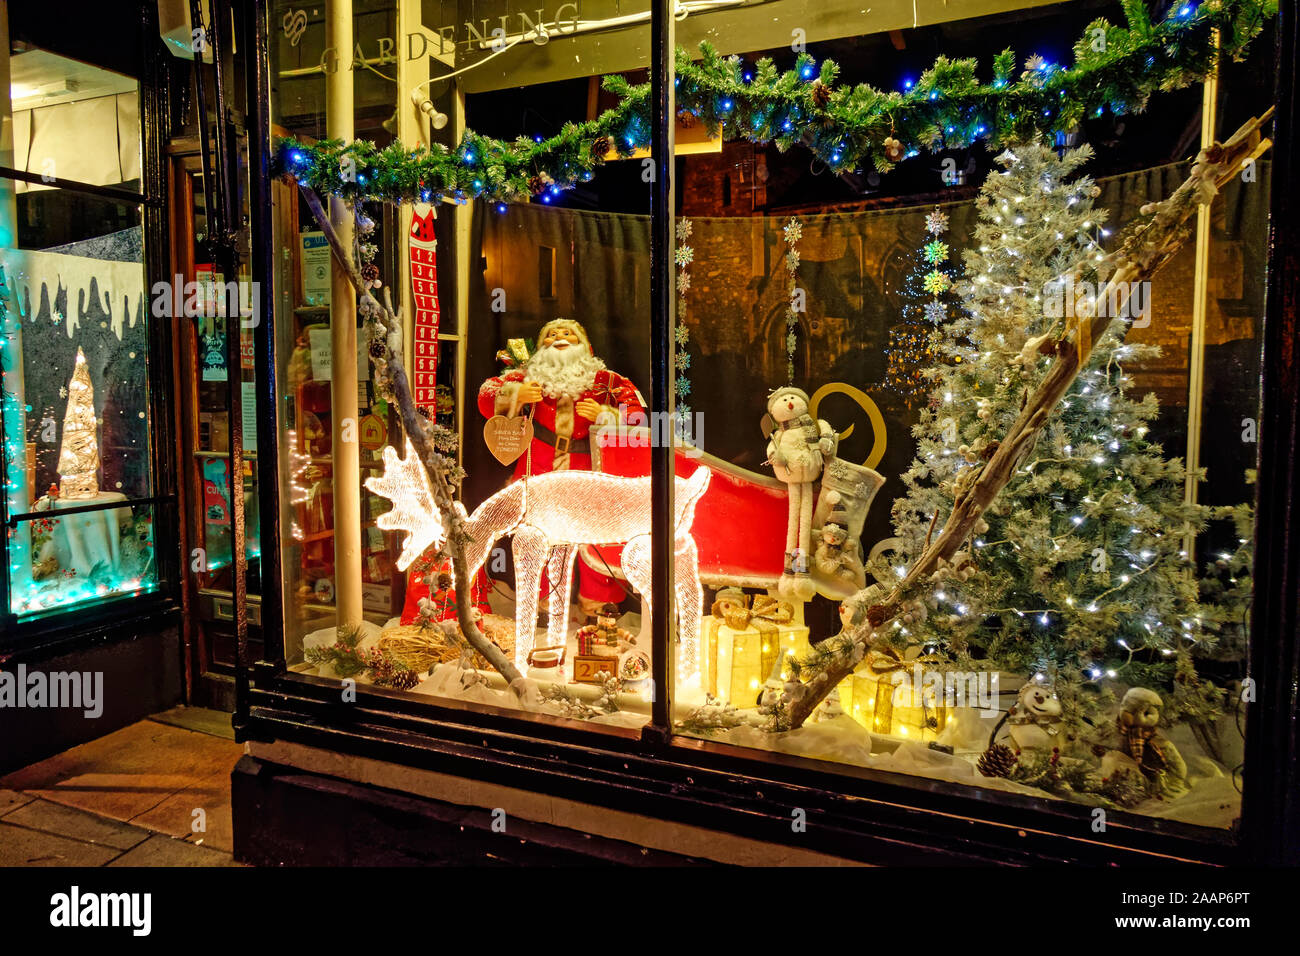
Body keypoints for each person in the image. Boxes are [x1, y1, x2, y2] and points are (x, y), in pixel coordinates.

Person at [477, 318, 646, 616]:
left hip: (589, 472)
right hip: (539, 469)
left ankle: (597, 602)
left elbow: (637, 416)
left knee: (595, 535)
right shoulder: (526, 376)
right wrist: (516, 396)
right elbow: (485, 395)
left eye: (568, 334)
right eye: (551, 335)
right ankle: (540, 600)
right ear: (541, 347)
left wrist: (606, 415)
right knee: (536, 535)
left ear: (585, 346)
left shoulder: (606, 380)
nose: (560, 338)